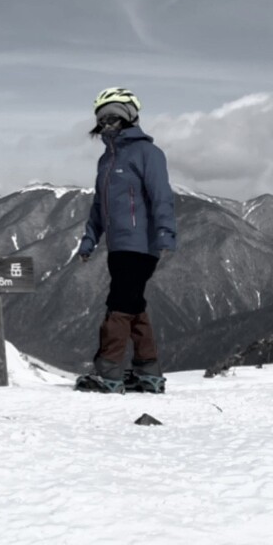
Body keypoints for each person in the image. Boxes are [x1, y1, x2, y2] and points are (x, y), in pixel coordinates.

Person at [76, 87, 177, 393]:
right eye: (102, 119)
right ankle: (148, 372)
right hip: (118, 247)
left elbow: (161, 195)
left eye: (114, 117)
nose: (107, 124)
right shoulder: (106, 160)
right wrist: (89, 240)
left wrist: (165, 233)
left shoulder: (148, 153)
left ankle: (108, 374)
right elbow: (99, 206)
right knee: (134, 305)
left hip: (142, 246)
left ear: (130, 117)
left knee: (118, 305)